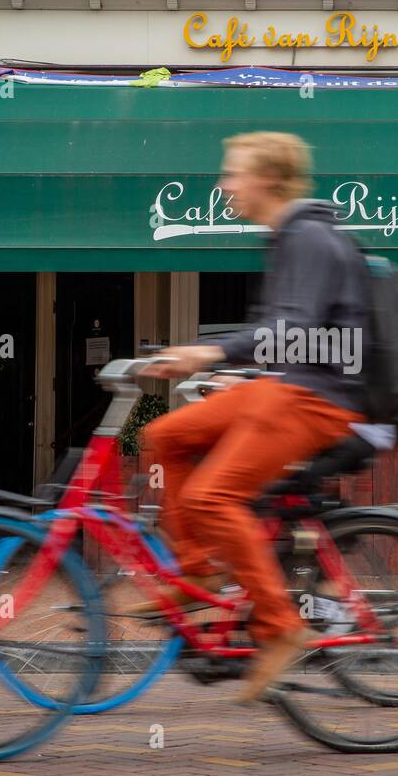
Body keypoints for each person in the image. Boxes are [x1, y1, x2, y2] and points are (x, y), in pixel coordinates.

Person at [136, 131, 371, 703]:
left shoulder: (310, 238)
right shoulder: (288, 238)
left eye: (232, 173)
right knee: (164, 434)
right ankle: (199, 570)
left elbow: (292, 332)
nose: (225, 185)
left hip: (320, 399)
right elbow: (288, 339)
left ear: (266, 179)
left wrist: (211, 353)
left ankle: (279, 626)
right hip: (285, 384)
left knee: (211, 496)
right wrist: (230, 371)